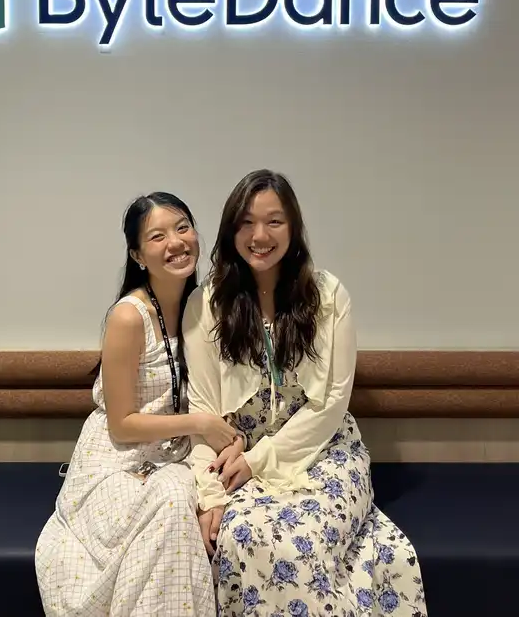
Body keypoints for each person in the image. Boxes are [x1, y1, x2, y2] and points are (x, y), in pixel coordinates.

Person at [183, 170, 427, 617]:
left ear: (293, 227)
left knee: (301, 541)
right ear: (230, 230)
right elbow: (202, 410)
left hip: (325, 453)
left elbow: (331, 405)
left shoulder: (328, 297)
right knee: (240, 536)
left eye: (274, 221)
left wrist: (259, 459)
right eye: (246, 222)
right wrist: (209, 494)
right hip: (239, 459)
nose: (260, 236)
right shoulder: (207, 303)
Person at [35, 192, 236, 617]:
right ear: (138, 256)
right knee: (174, 499)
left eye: (182, 228)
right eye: (157, 236)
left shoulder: (205, 309)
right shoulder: (129, 317)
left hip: (176, 457)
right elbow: (122, 425)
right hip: (118, 461)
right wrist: (200, 422)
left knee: (184, 496)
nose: (175, 242)